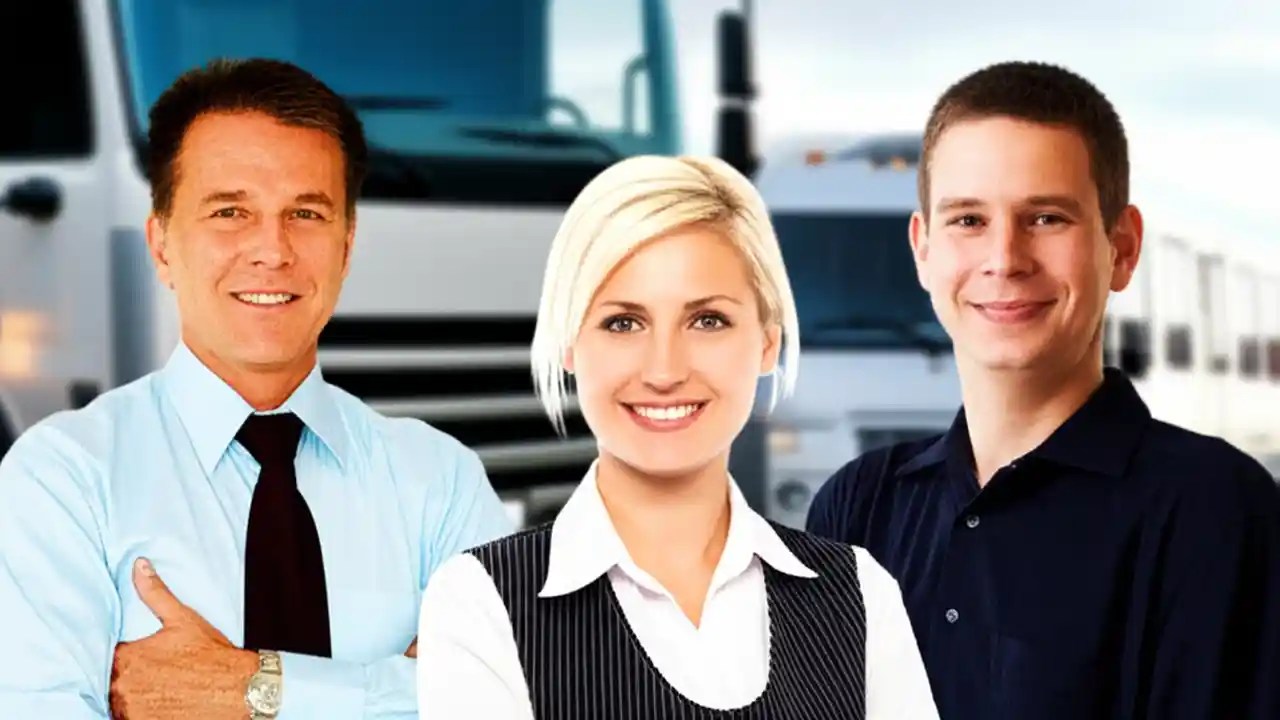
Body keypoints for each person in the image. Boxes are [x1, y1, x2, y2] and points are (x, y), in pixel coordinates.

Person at [0, 58, 512, 718]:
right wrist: (398, 689)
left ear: (347, 246)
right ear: (161, 247)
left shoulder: (441, 484)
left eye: (305, 213)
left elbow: (512, 700)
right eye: (230, 212)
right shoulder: (62, 481)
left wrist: (251, 688)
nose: (271, 250)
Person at [805, 60, 1280, 720]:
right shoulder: (856, 510)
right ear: (923, 250)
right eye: (968, 220)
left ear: (1123, 246)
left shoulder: (1215, 511)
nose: (1005, 257)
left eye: (1047, 217)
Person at [415, 154, 940, 718]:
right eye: (624, 323)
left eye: (707, 320)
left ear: (766, 341)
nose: (664, 371)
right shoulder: (481, 603)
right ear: (571, 343)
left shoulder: (859, 596)